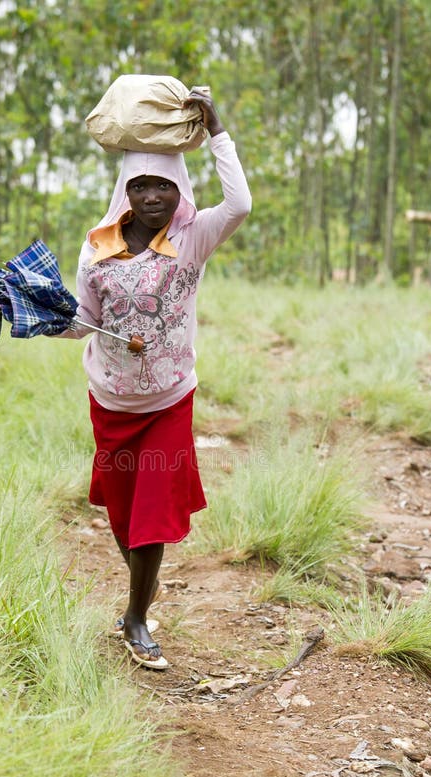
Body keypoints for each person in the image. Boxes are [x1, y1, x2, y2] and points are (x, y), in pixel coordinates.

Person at [58, 87, 251, 669]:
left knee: (152, 518)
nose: (150, 196)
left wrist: (217, 130)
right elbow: (84, 324)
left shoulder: (194, 237)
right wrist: (42, 317)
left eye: (162, 186)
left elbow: (239, 203)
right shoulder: (98, 248)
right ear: (124, 191)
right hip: (111, 403)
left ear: (179, 191)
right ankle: (138, 599)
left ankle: (137, 617)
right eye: (139, 186)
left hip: (169, 402)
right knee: (122, 515)